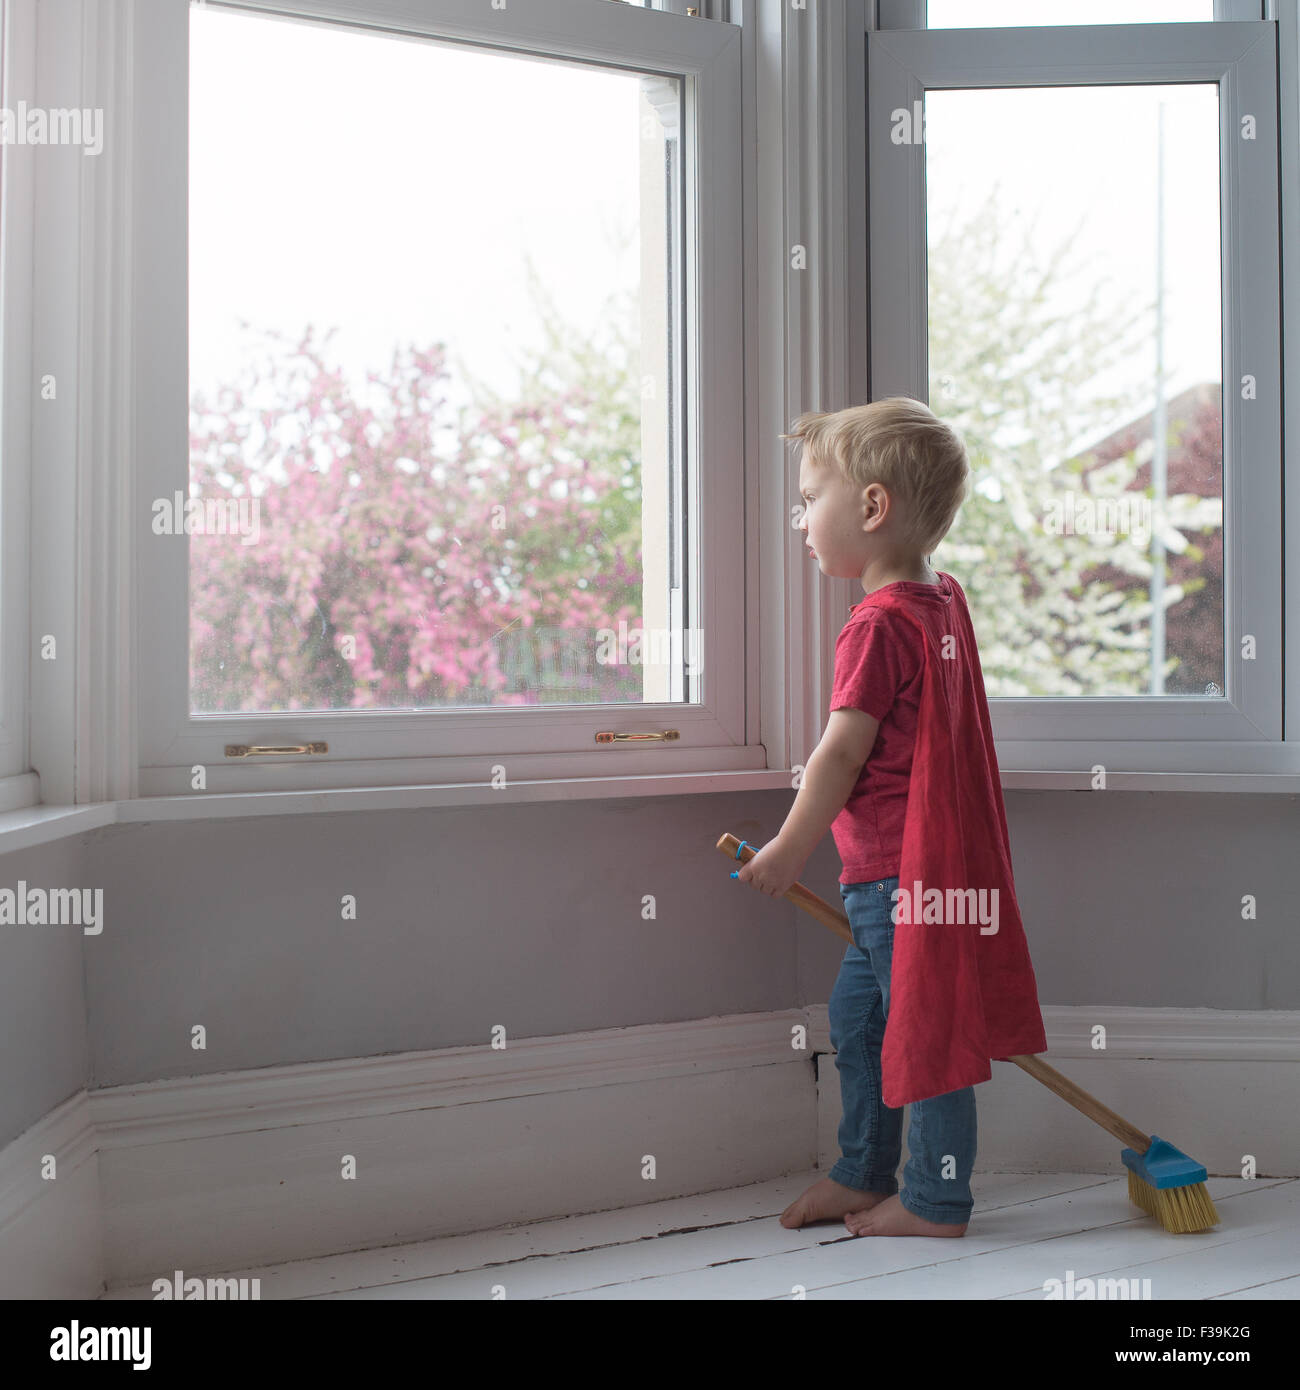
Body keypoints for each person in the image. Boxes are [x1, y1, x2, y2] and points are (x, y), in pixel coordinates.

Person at [736, 395, 1044, 1239]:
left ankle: (937, 1199)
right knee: (862, 1020)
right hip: (920, 873)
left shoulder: (876, 624)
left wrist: (788, 849)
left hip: (894, 876)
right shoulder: (941, 601)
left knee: (929, 1035)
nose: (800, 517)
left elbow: (841, 753)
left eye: (810, 498)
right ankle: (865, 1170)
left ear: (871, 507)